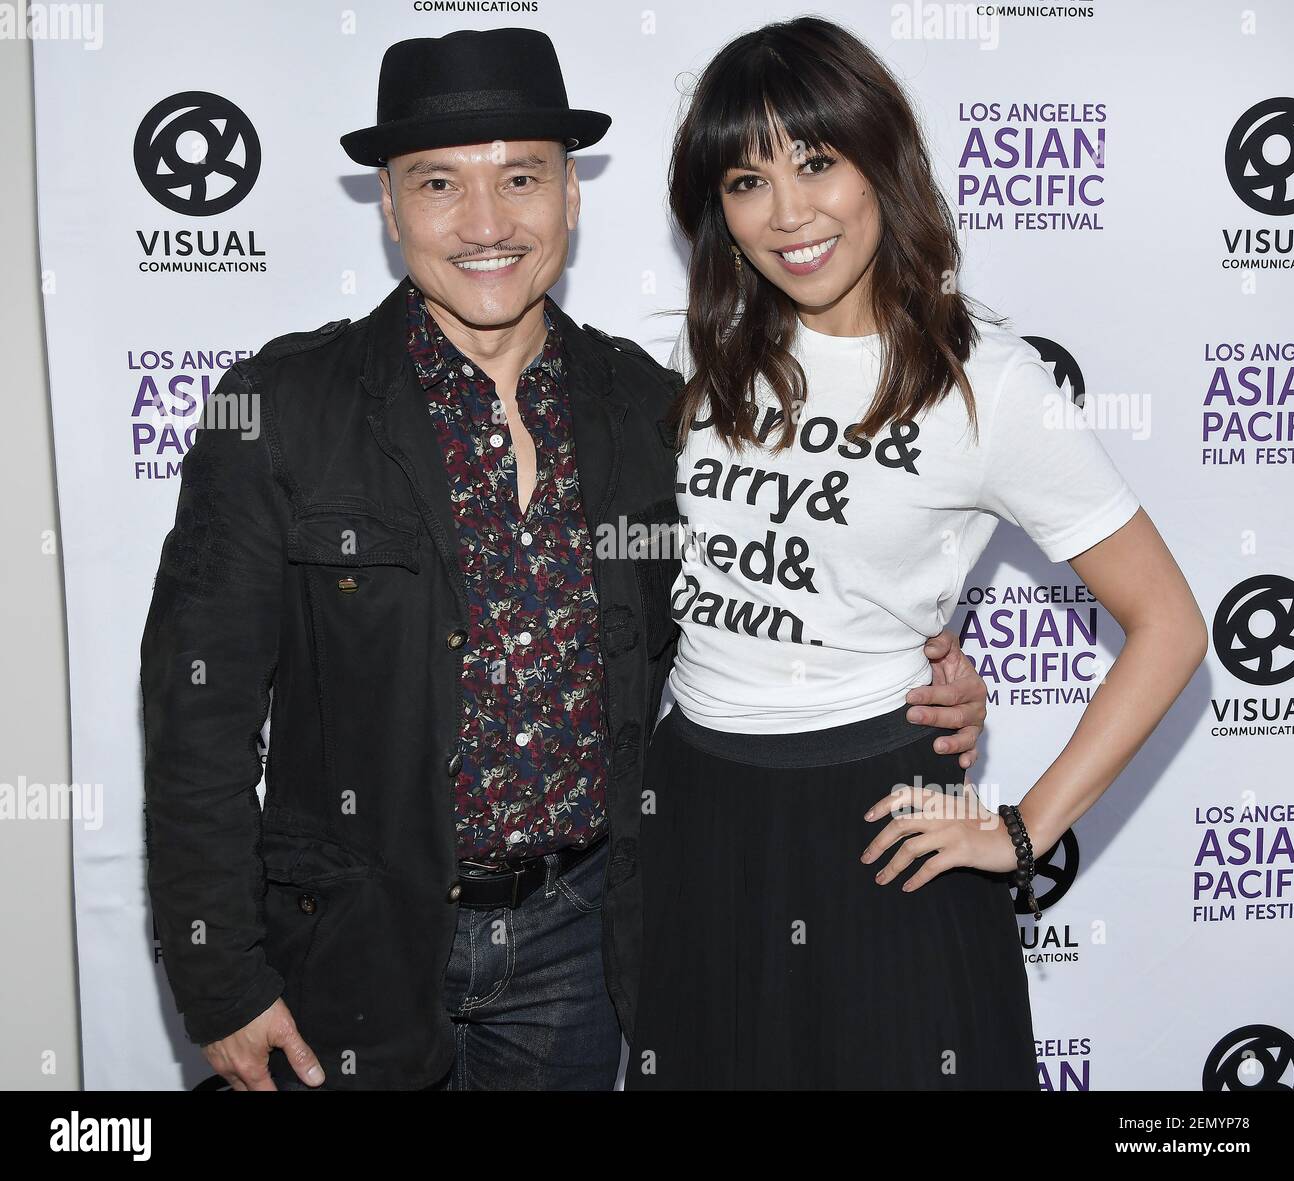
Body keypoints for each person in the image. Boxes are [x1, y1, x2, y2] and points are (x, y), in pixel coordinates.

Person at [138, 27, 988, 1092]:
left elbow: (739, 630)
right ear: (390, 206)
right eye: (440, 182)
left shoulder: (650, 408)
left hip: (584, 951)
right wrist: (220, 977)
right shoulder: (283, 410)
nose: (487, 223)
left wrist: (914, 676)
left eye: (522, 178)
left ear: (570, 201)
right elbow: (197, 719)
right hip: (351, 945)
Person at [625, 16, 1208, 1090]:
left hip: (880, 821)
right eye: (746, 180)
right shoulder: (705, 353)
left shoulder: (987, 383)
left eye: (814, 161)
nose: (787, 212)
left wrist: (1025, 831)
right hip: (698, 810)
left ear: (878, 161)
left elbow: (1170, 626)